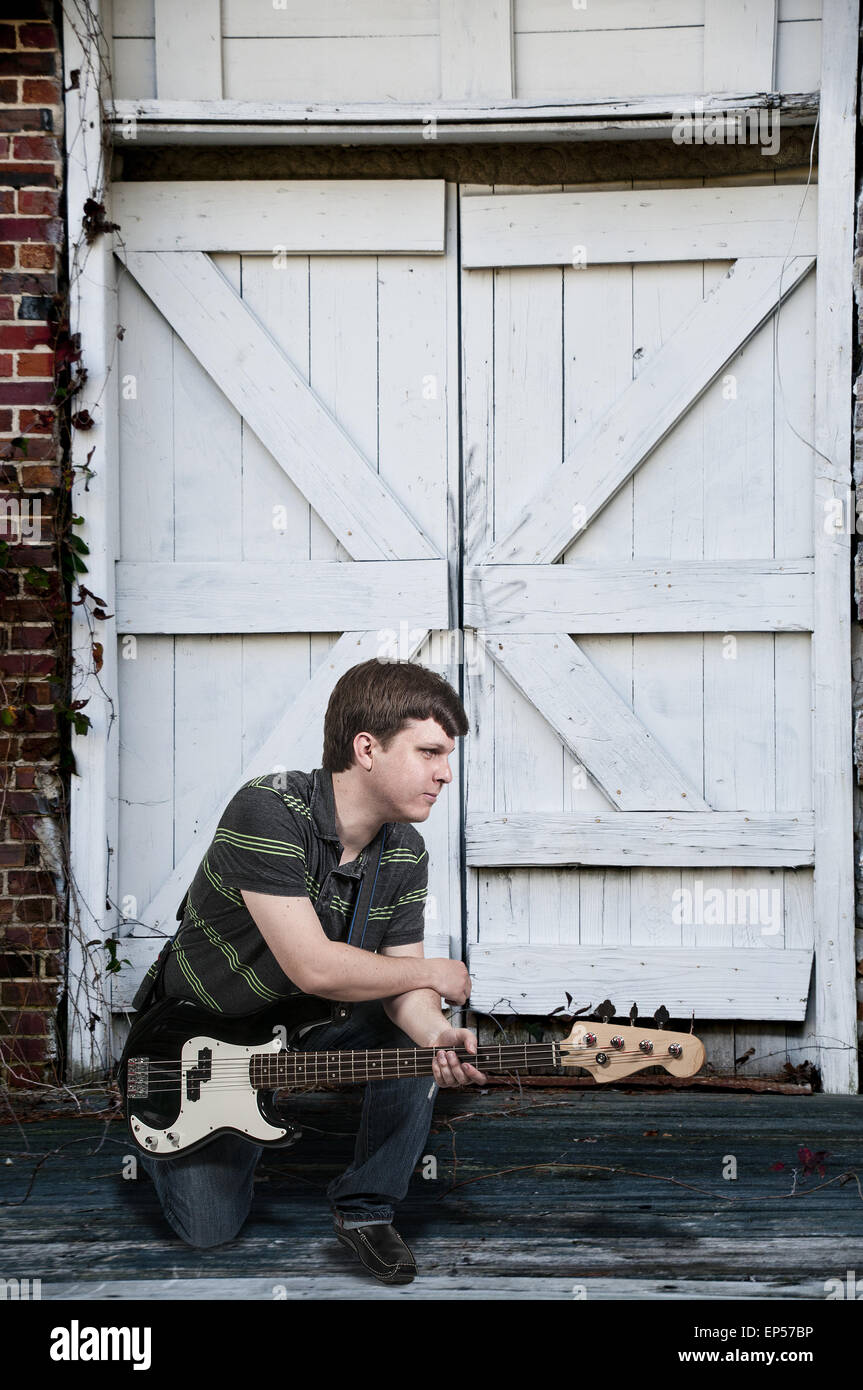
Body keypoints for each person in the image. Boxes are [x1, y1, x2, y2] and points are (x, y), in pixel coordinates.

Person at [130, 657, 486, 1286]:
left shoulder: (405, 852)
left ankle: (367, 1210)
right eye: (430, 752)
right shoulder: (268, 809)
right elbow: (315, 967)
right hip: (198, 1040)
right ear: (367, 748)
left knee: (410, 1039)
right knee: (209, 1230)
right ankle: (176, 1124)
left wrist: (436, 1034)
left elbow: (405, 985)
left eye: (447, 756)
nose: (444, 773)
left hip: (298, 1029)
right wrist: (437, 971)